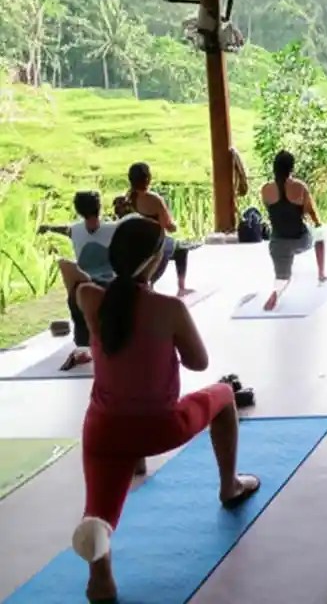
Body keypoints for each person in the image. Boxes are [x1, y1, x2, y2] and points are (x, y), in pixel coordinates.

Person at [59, 217, 258, 602]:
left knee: (99, 511)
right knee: (222, 394)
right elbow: (199, 363)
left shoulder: (91, 299)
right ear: (153, 263)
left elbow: (71, 271)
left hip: (104, 431)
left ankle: (101, 578)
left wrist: (90, 277)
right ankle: (229, 486)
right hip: (160, 427)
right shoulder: (168, 308)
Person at [39, 191, 134, 369]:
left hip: (88, 286)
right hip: (104, 283)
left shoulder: (74, 230)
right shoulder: (115, 229)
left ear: (78, 210)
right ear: (99, 208)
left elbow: (61, 229)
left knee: (68, 269)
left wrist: (45, 227)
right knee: (70, 269)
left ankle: (84, 342)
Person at [261, 151, 327, 311]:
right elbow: (312, 214)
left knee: (282, 277)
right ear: (292, 167)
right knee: (320, 234)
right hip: (301, 240)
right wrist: (317, 224)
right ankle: (321, 273)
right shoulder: (299, 187)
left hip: (277, 244)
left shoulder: (265, 189)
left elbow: (273, 212)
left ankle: (275, 295)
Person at [119, 162, 196, 297]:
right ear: (148, 179)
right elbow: (168, 226)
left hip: (132, 244)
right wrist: (174, 225)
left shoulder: (126, 200)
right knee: (181, 249)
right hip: (154, 244)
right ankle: (181, 287)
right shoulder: (154, 200)